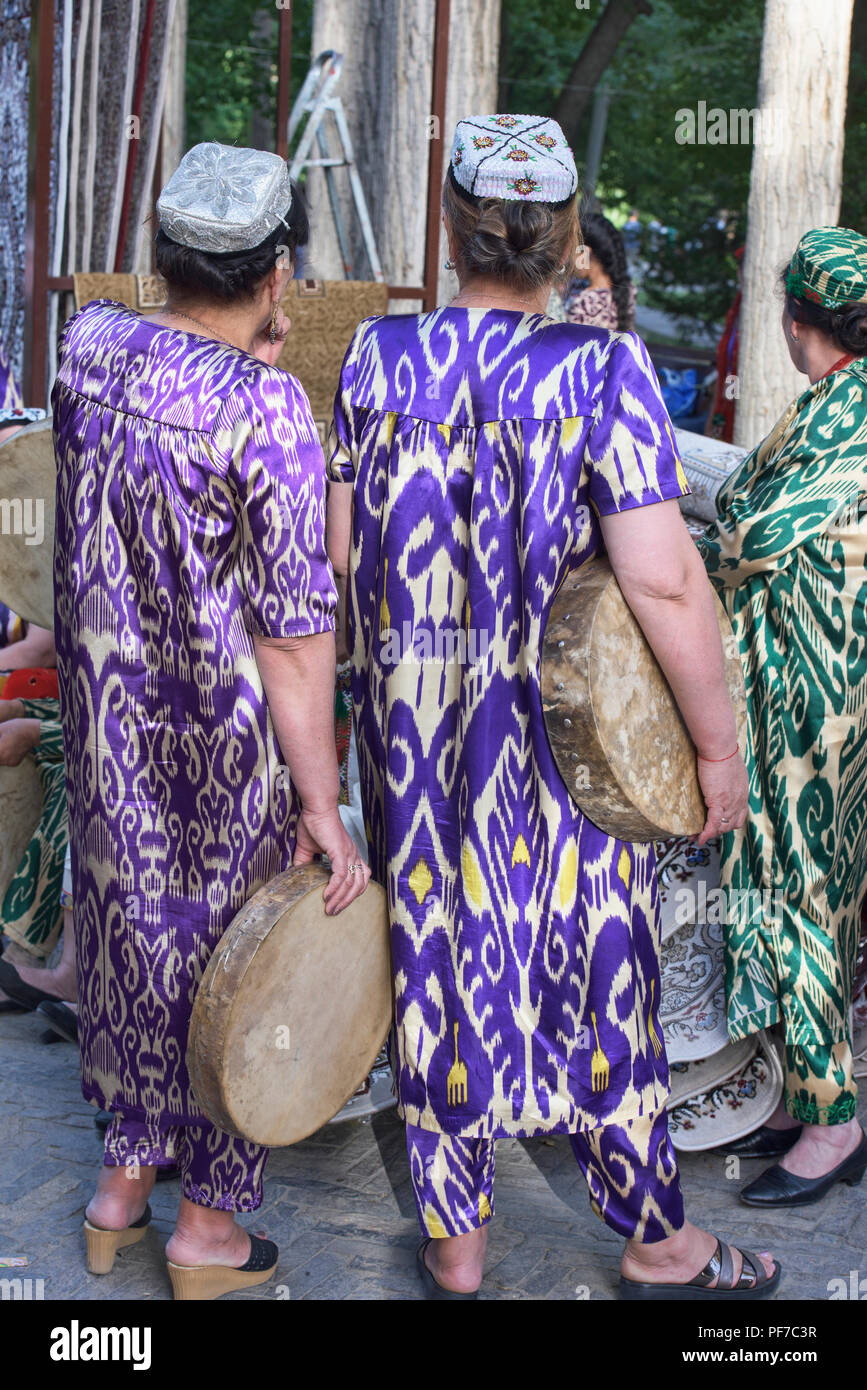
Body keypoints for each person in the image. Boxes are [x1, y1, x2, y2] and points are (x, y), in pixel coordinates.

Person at [326, 112, 779, 1300]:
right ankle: (656, 1235)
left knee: (435, 956)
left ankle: (457, 1240)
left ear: (451, 225)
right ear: (568, 240)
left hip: (418, 747)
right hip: (558, 747)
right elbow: (665, 576)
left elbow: (337, 550)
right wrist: (717, 748)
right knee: (597, 961)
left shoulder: (377, 360)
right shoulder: (603, 372)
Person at [52, 142, 370, 1300]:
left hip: (106, 736)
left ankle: (118, 1189)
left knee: (136, 936)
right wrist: (324, 808)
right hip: (221, 751)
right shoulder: (271, 415)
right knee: (237, 967)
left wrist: (254, 345)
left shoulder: (87, 349)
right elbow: (293, 637)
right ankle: (209, 1232)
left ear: (162, 255)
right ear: (278, 271)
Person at [699, 226, 867, 1205]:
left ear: (802, 319)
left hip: (816, 698)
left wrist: (723, 528)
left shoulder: (850, 410)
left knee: (801, 895)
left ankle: (836, 1124)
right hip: (810, 687)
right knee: (800, 892)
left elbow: (750, 526)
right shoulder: (834, 400)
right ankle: (808, 1092)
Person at [566, 211, 636, 332]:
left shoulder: (584, 304)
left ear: (585, 252)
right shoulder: (627, 289)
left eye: (571, 250)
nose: (568, 257)